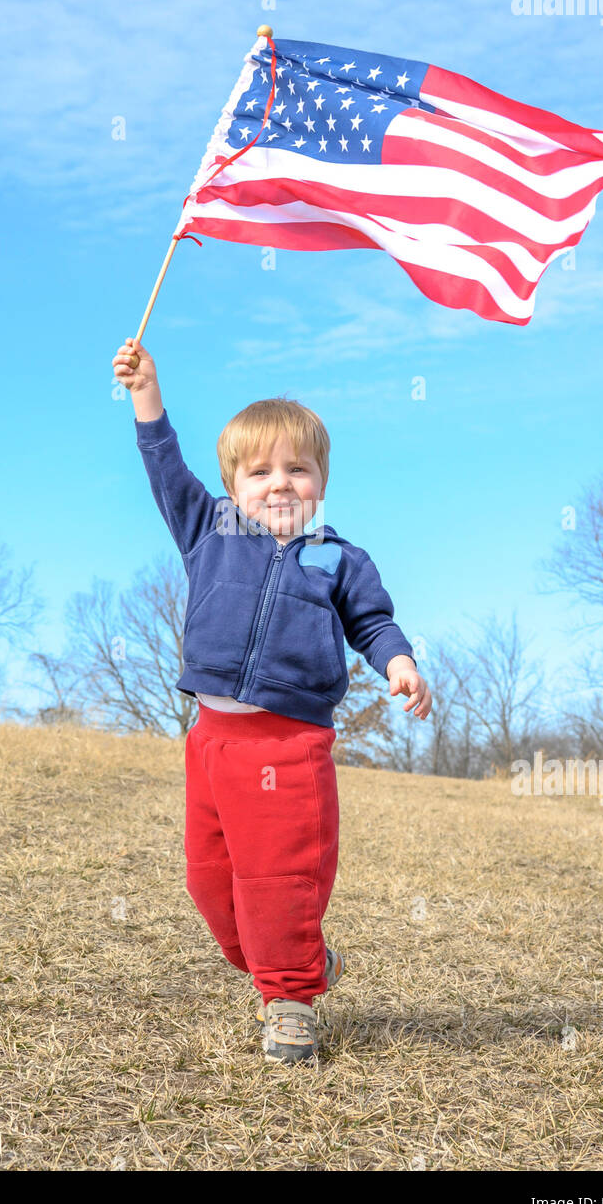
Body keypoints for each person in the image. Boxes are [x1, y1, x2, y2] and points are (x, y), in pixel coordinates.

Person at [112, 336, 432, 1064]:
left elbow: (373, 623)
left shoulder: (338, 557)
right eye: (259, 471)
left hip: (289, 746)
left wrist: (401, 663)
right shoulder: (208, 531)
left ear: (321, 479)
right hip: (211, 739)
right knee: (209, 882)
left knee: (278, 883)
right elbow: (163, 464)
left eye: (298, 468)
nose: (279, 483)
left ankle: (288, 999)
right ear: (232, 484)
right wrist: (144, 392)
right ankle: (300, 962)